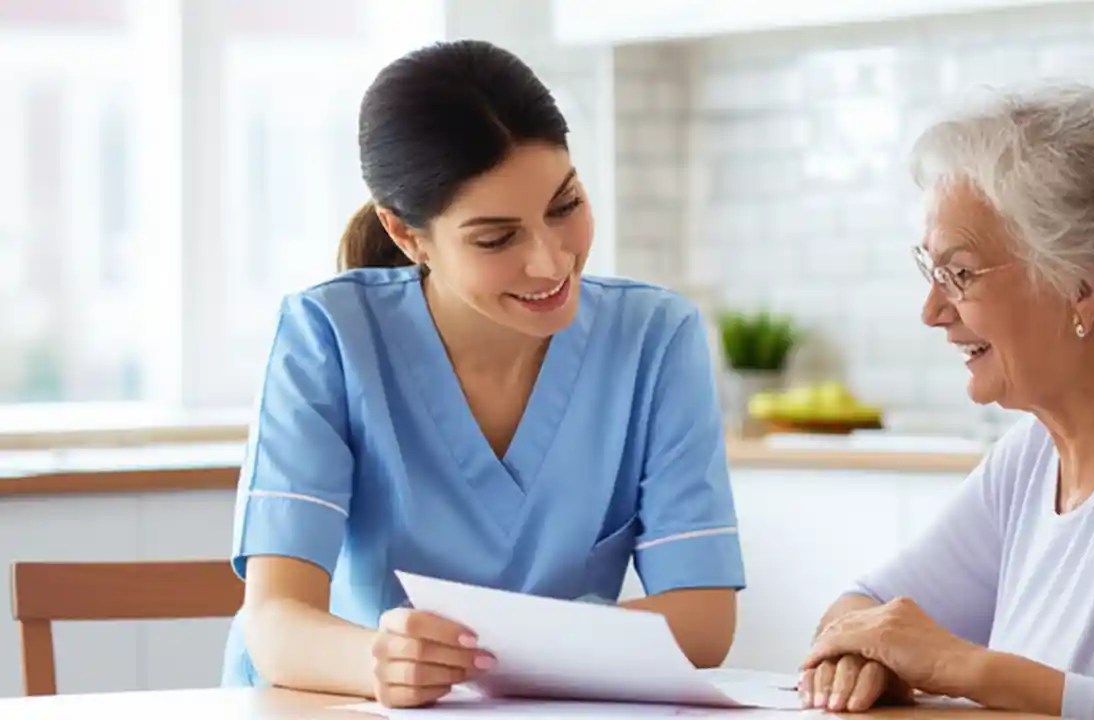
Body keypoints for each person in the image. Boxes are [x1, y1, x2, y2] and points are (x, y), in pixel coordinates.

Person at [220, 39, 745, 708]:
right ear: (408, 235)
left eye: (565, 206)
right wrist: (379, 661)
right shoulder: (328, 336)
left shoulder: (654, 338)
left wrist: (487, 659)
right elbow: (274, 624)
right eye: (497, 239)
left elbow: (702, 620)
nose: (551, 263)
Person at [800, 76, 1094, 718]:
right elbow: (863, 607)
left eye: (960, 273)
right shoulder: (1031, 458)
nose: (933, 309)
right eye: (931, 270)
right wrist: (861, 655)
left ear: (1080, 289)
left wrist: (965, 667)